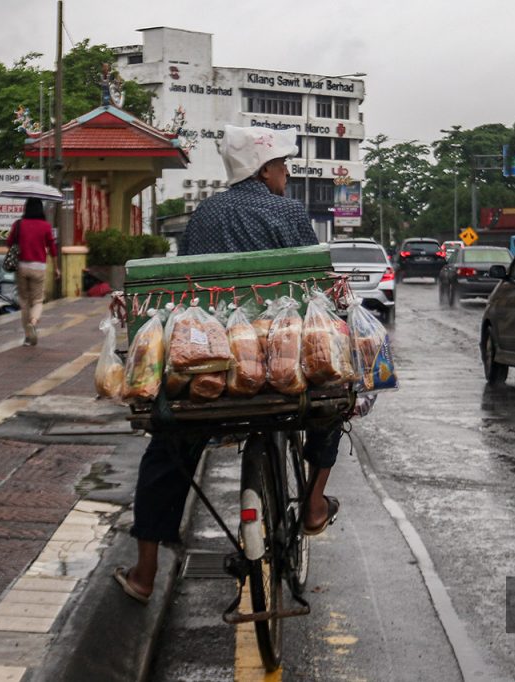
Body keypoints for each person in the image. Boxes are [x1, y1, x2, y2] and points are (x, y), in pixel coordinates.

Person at [114, 125, 343, 605]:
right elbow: (314, 288)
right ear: (263, 170)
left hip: (211, 369)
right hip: (281, 364)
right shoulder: (288, 212)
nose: (286, 174)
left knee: (167, 451)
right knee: (332, 401)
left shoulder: (203, 217)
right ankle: (316, 505)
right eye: (282, 166)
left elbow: (183, 295)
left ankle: (144, 573)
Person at [6, 198, 59, 346]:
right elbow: (53, 249)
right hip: (39, 267)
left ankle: (28, 337)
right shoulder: (45, 226)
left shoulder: (18, 225)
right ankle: (33, 322)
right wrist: (56, 268)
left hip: (22, 266)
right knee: (37, 300)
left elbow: (9, 243)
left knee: (24, 302)